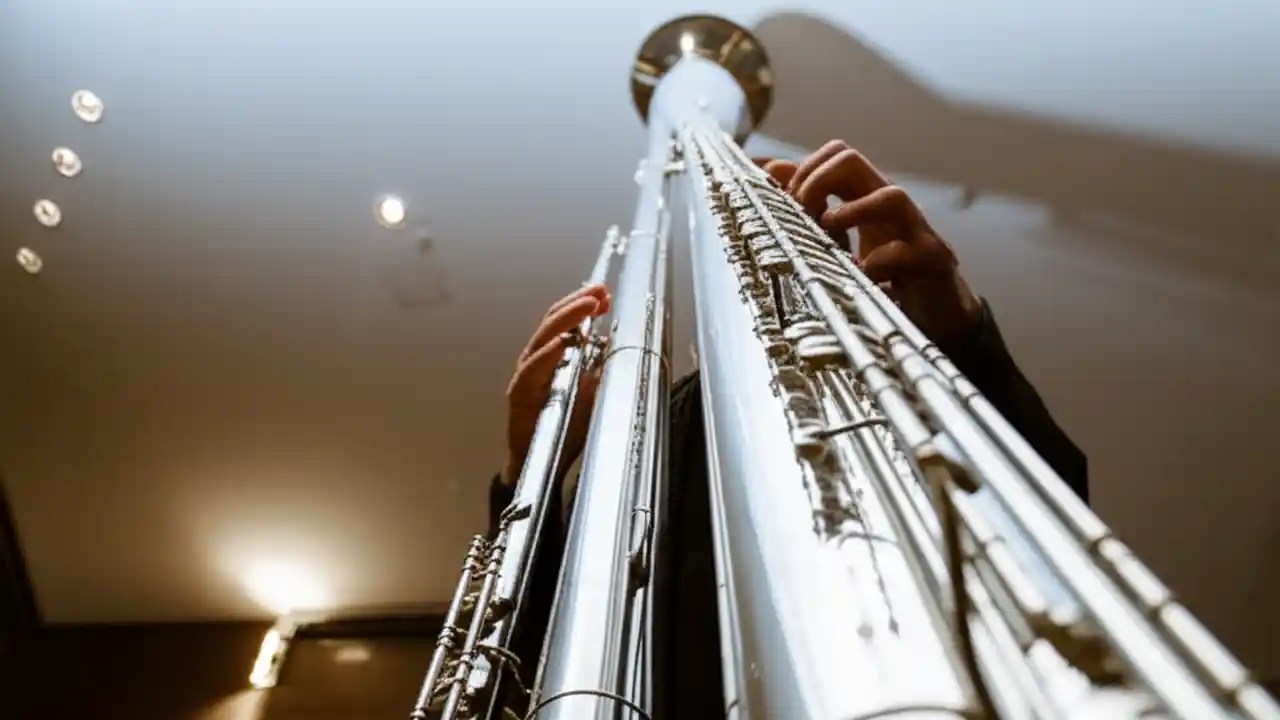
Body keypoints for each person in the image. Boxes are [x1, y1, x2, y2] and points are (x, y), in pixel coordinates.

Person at [487, 141, 1087, 716]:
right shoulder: (656, 431)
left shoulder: (880, 365)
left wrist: (957, 341)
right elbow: (533, 667)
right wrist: (530, 478)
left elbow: (1059, 535)